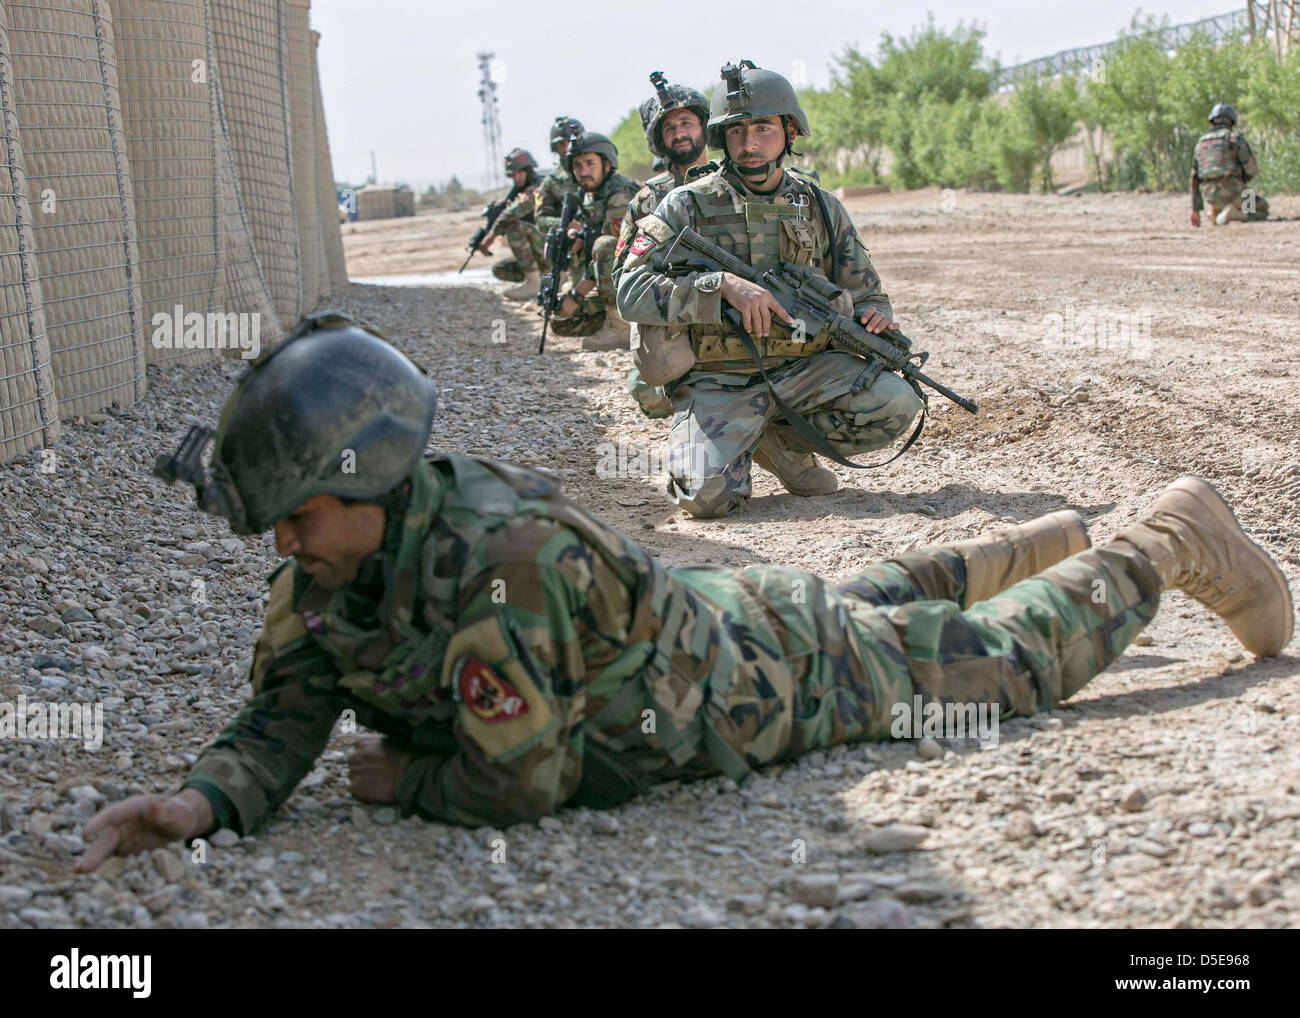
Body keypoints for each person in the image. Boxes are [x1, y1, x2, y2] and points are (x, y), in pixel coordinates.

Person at [75, 314, 1292, 869]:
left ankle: (1160, 537)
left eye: (296, 516)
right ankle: (1042, 535)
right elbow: (290, 702)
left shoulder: (500, 570)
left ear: (373, 480)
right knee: (854, 604)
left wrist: (410, 779)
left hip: (746, 688)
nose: (284, 547)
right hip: (702, 618)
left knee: (991, 665)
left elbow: (520, 779)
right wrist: (204, 799)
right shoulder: (333, 564)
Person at [616, 61, 922, 518]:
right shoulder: (687, 203)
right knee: (704, 498)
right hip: (719, 377)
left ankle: (779, 440)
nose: (750, 144)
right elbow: (629, 289)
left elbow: (865, 291)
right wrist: (718, 286)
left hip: (804, 371)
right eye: (736, 131)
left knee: (896, 402)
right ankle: (737, 437)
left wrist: (874, 313)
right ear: (721, 138)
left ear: (790, 131)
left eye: (763, 128)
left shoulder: (819, 204)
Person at [614, 72, 713, 419]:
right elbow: (622, 279)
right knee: (650, 392)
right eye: (669, 128)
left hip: (741, 311)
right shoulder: (647, 200)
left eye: (686, 123)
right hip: (679, 316)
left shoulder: (733, 183)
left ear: (704, 126)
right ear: (659, 139)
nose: (680, 133)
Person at [544, 132, 640, 350]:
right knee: (562, 321)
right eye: (577, 165)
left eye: (589, 163)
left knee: (606, 244)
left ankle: (622, 328)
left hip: (642, 281)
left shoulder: (620, 195)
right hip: (615, 282)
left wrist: (577, 293)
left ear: (606, 164)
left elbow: (615, 252)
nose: (583, 171)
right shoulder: (589, 195)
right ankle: (615, 320)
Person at [478, 148, 546, 300]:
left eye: (517, 173)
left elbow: (513, 212)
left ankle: (535, 283)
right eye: (511, 175)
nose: (515, 178)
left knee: (513, 227)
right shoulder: (518, 190)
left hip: (554, 247)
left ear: (527, 171)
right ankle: (543, 280)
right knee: (500, 269)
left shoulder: (538, 186)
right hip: (541, 249)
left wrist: (490, 237)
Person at [1190, 103, 1269, 227]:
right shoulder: (1235, 139)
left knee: (1218, 213)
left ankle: (1215, 213)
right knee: (1261, 207)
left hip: (1210, 195)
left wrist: (1195, 210)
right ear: (1232, 123)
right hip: (1236, 192)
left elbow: (1194, 179)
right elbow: (1251, 170)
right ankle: (1236, 214)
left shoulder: (1201, 144)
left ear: (1212, 122)